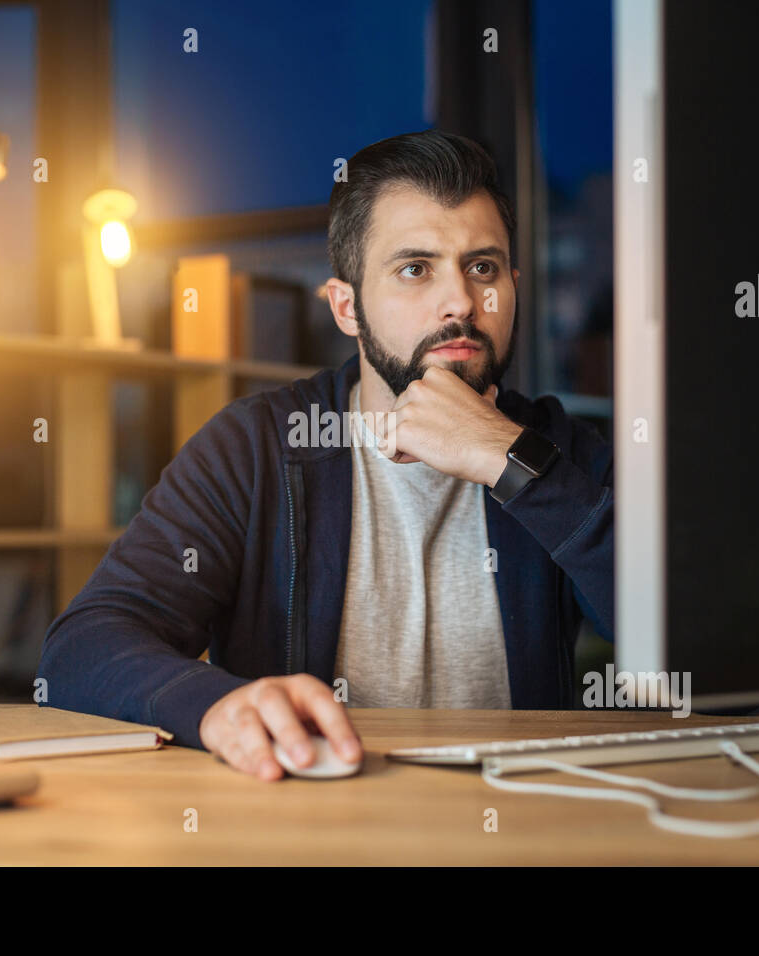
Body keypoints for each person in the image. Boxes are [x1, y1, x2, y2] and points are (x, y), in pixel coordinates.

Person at [38, 129, 613, 780]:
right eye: (415, 269)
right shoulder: (251, 450)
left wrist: (514, 463)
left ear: (512, 285)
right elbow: (81, 650)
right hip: (305, 826)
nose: (459, 302)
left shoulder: (562, 450)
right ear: (347, 307)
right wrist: (218, 705)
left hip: (518, 827)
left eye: (482, 267)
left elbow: (695, 641)